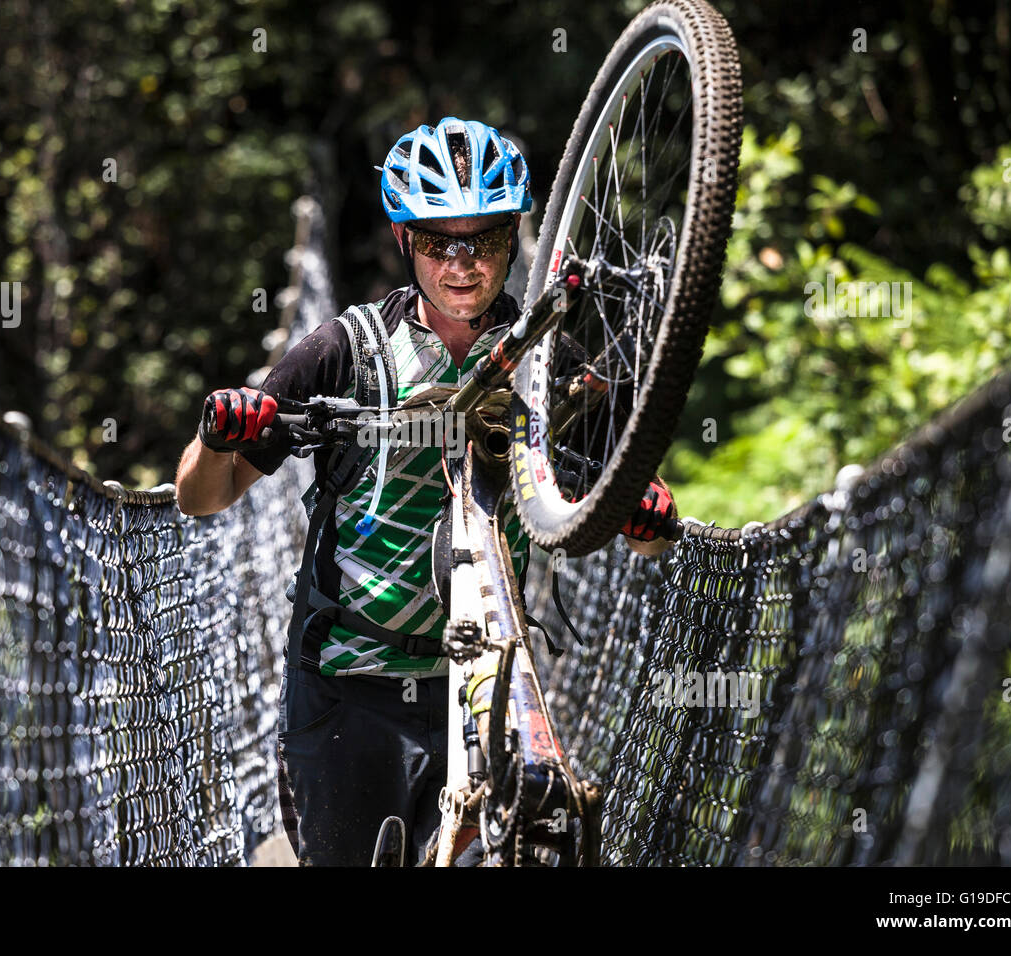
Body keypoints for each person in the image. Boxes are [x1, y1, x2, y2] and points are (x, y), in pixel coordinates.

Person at [174, 117, 677, 866]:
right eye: (441, 242)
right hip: (348, 677)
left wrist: (646, 516)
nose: (464, 265)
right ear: (406, 242)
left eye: (488, 241)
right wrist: (220, 438)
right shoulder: (342, 351)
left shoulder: (545, 357)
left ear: (516, 240)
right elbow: (201, 498)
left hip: (476, 683)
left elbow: (634, 506)